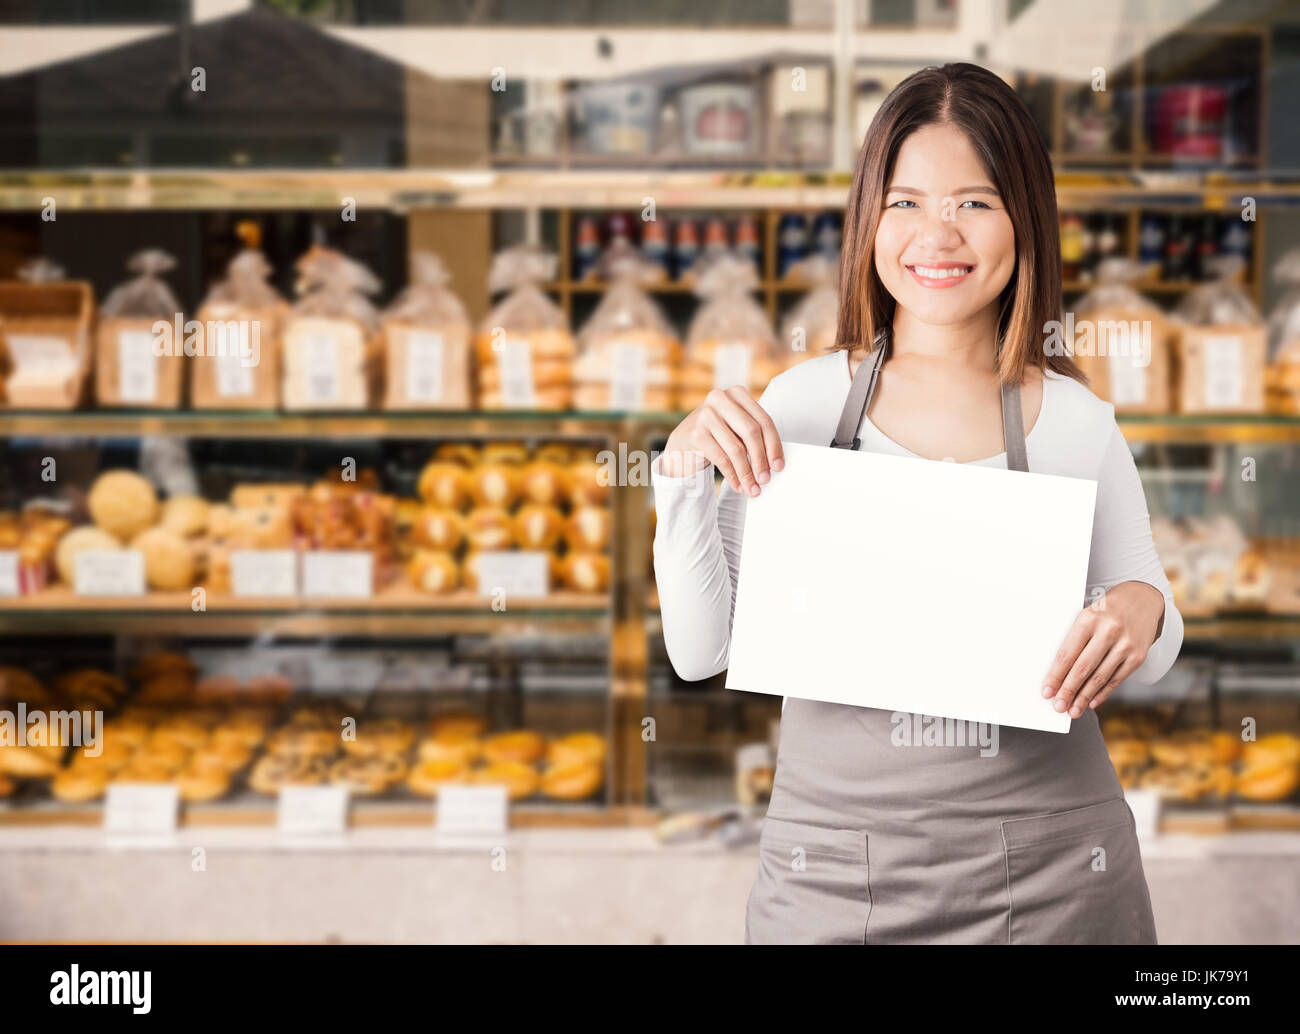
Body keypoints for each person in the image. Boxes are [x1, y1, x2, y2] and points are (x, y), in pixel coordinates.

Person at [651, 63, 1183, 944]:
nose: (936, 235)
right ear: (869, 220)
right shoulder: (802, 407)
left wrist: (1140, 607)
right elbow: (700, 651)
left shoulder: (1078, 421)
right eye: (904, 203)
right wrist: (680, 481)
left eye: (973, 203)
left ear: (1025, 220)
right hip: (830, 875)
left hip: (1057, 872)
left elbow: (1156, 649)